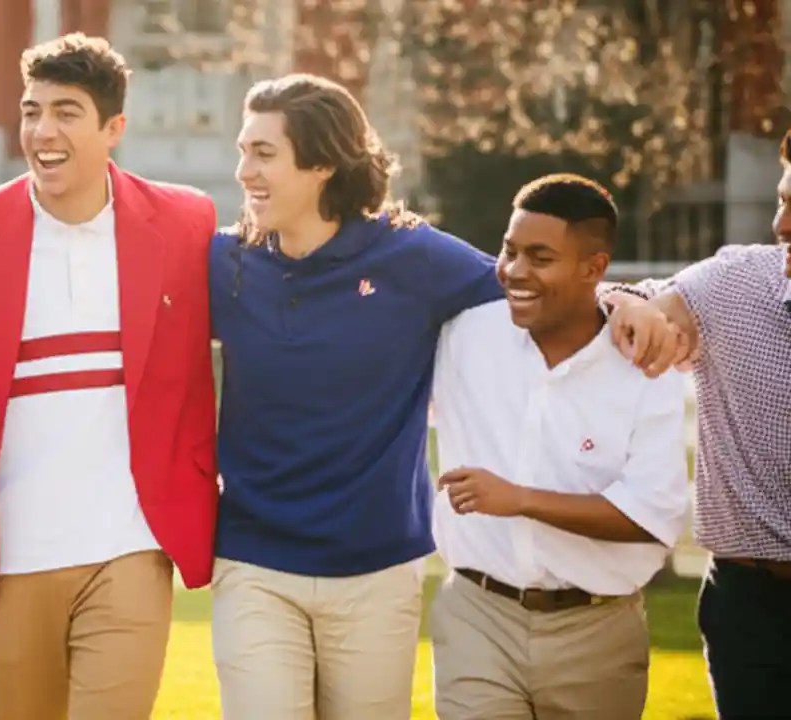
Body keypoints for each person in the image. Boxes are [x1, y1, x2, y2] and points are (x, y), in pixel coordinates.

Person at [206, 74, 683, 719]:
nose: (243, 171)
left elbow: (533, 284)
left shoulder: (412, 257)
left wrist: (629, 299)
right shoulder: (226, 264)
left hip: (376, 568)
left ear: (321, 163)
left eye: (263, 153)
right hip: (253, 558)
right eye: (243, 151)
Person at [0, 33, 219, 720]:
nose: (42, 131)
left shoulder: (186, 222)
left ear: (114, 128)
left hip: (130, 544)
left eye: (66, 112)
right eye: (32, 111)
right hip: (10, 549)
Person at [430, 174, 689, 720]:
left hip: (597, 632)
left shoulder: (645, 367)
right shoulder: (462, 336)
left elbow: (651, 516)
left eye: (541, 258)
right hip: (477, 617)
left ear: (594, 268)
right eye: (510, 250)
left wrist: (520, 499)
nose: (515, 271)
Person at [605, 129, 791, 719]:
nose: (782, 225)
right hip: (749, 604)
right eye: (783, 201)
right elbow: (633, 302)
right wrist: (629, 303)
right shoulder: (734, 283)